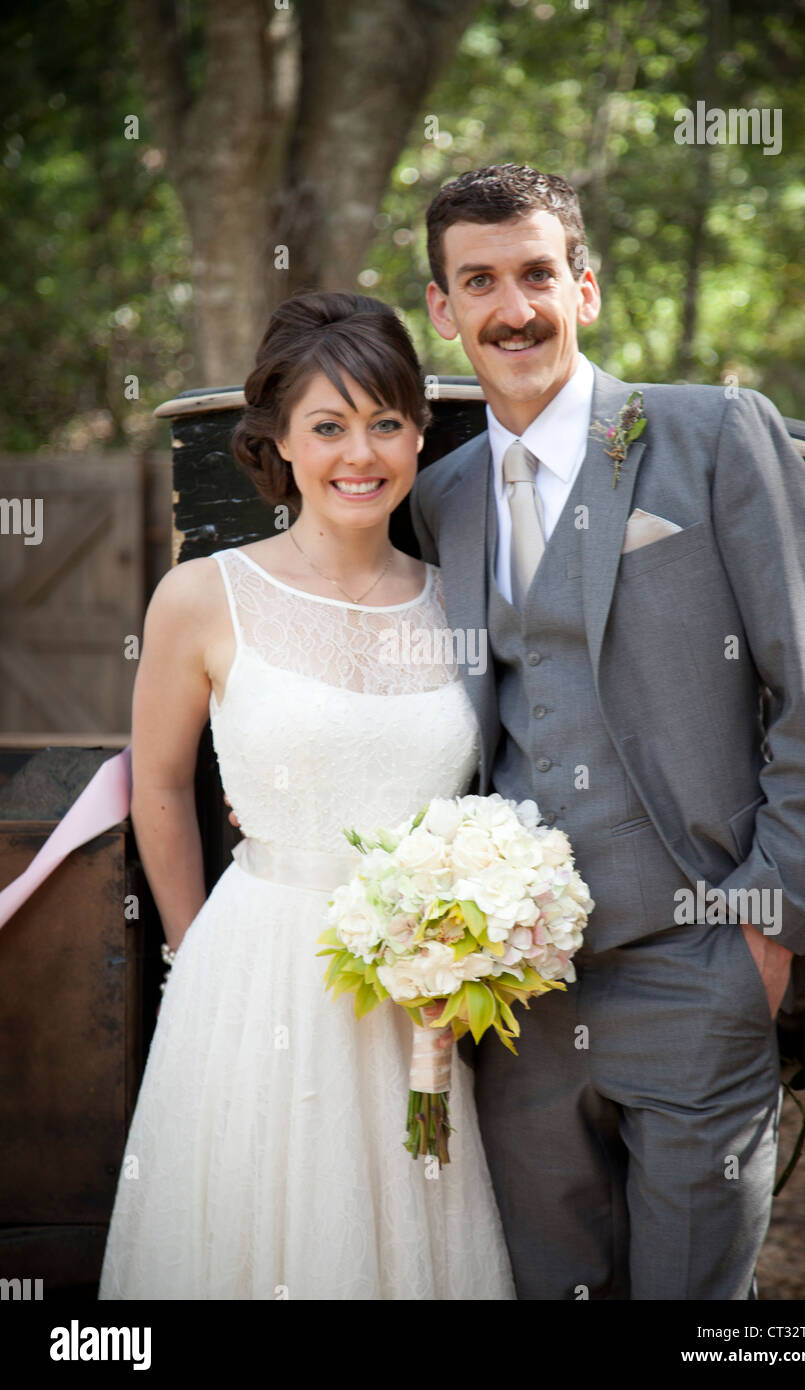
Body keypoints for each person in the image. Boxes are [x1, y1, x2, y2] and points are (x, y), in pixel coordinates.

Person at [408, 163, 805, 1299]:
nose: (512, 307)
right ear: (441, 307)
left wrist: (759, 936)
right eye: (479, 281)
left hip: (698, 966)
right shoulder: (444, 496)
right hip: (520, 1002)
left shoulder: (709, 434)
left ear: (585, 286)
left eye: (534, 274)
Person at [97, 290, 515, 1300]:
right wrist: (198, 955)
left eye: (383, 422)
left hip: (417, 1000)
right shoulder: (204, 595)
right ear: (278, 441)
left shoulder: (466, 600)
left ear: (417, 431)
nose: (357, 454)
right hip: (255, 975)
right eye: (326, 426)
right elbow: (157, 784)